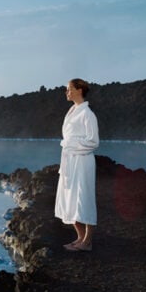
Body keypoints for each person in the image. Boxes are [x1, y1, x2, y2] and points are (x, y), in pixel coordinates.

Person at [55, 78, 99, 251]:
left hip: (82, 161)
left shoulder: (88, 114)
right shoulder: (73, 111)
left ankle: (87, 242)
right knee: (70, 199)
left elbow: (93, 142)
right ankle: (80, 238)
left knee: (84, 199)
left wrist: (71, 145)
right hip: (70, 161)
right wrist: (68, 146)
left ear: (79, 90)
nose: (67, 92)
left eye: (69, 89)